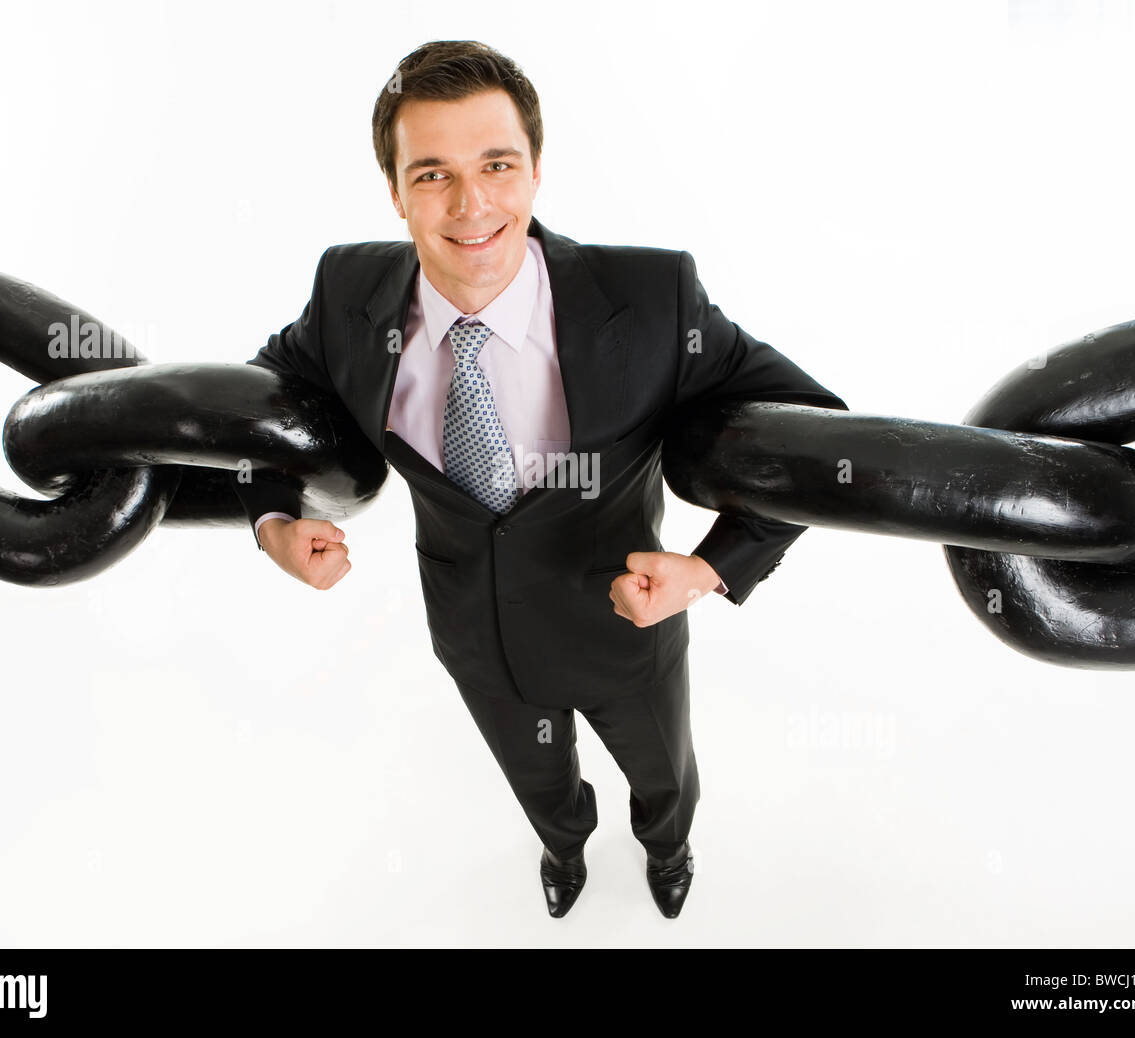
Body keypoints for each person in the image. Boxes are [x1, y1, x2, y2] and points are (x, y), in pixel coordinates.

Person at [233, 40, 849, 919]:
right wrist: (272, 523)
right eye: (432, 174)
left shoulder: (652, 298)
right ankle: (565, 852)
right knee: (541, 788)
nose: (472, 203)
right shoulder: (346, 292)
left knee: (665, 777)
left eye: (497, 165)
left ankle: (666, 850)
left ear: (535, 170)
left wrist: (711, 568)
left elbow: (813, 427)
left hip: (626, 626)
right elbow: (264, 396)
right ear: (396, 191)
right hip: (479, 639)